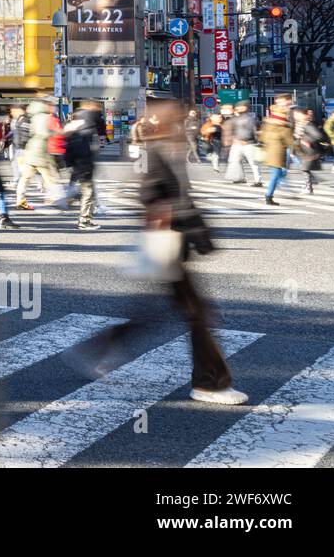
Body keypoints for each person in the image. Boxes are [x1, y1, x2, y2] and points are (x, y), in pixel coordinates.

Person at [68, 100, 247, 407]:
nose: (184, 123)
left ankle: (98, 348)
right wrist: (193, 232)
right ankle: (210, 383)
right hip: (168, 242)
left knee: (160, 312)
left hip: (173, 243)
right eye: (179, 119)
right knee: (197, 314)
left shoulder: (166, 149)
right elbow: (152, 194)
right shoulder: (156, 152)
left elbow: (175, 197)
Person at [14, 100, 62, 211]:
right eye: (52, 106)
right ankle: (55, 199)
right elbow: (43, 134)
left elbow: (31, 133)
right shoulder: (44, 117)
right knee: (50, 177)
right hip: (40, 152)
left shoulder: (34, 117)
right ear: (47, 106)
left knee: (25, 178)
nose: (54, 108)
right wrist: (54, 133)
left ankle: (20, 200)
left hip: (30, 150)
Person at [64, 102, 101, 230]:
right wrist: (85, 166)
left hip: (79, 167)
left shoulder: (75, 128)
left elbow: (68, 151)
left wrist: (71, 165)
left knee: (89, 193)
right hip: (84, 167)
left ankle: (85, 217)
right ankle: (84, 221)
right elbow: (84, 151)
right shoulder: (86, 130)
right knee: (88, 193)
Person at [259, 97, 294, 206]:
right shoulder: (284, 127)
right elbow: (290, 141)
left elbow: (262, 138)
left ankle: (271, 194)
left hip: (269, 152)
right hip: (278, 153)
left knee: (277, 173)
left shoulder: (268, 124)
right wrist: (296, 149)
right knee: (276, 174)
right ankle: (269, 196)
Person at [224, 102, 261, 186]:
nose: (239, 109)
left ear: (246, 108)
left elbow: (253, 131)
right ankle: (239, 177)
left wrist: (249, 140)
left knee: (253, 163)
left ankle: (258, 180)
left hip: (248, 143)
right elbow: (231, 130)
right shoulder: (235, 119)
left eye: (241, 107)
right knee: (235, 161)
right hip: (237, 143)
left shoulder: (251, 119)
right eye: (238, 107)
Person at [293, 108, 326, 195]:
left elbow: (318, 136)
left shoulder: (308, 125)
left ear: (303, 115)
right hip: (303, 150)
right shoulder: (300, 124)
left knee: (305, 169)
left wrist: (307, 141)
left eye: (297, 115)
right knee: (305, 169)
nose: (295, 116)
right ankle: (308, 186)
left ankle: (308, 187)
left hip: (309, 150)